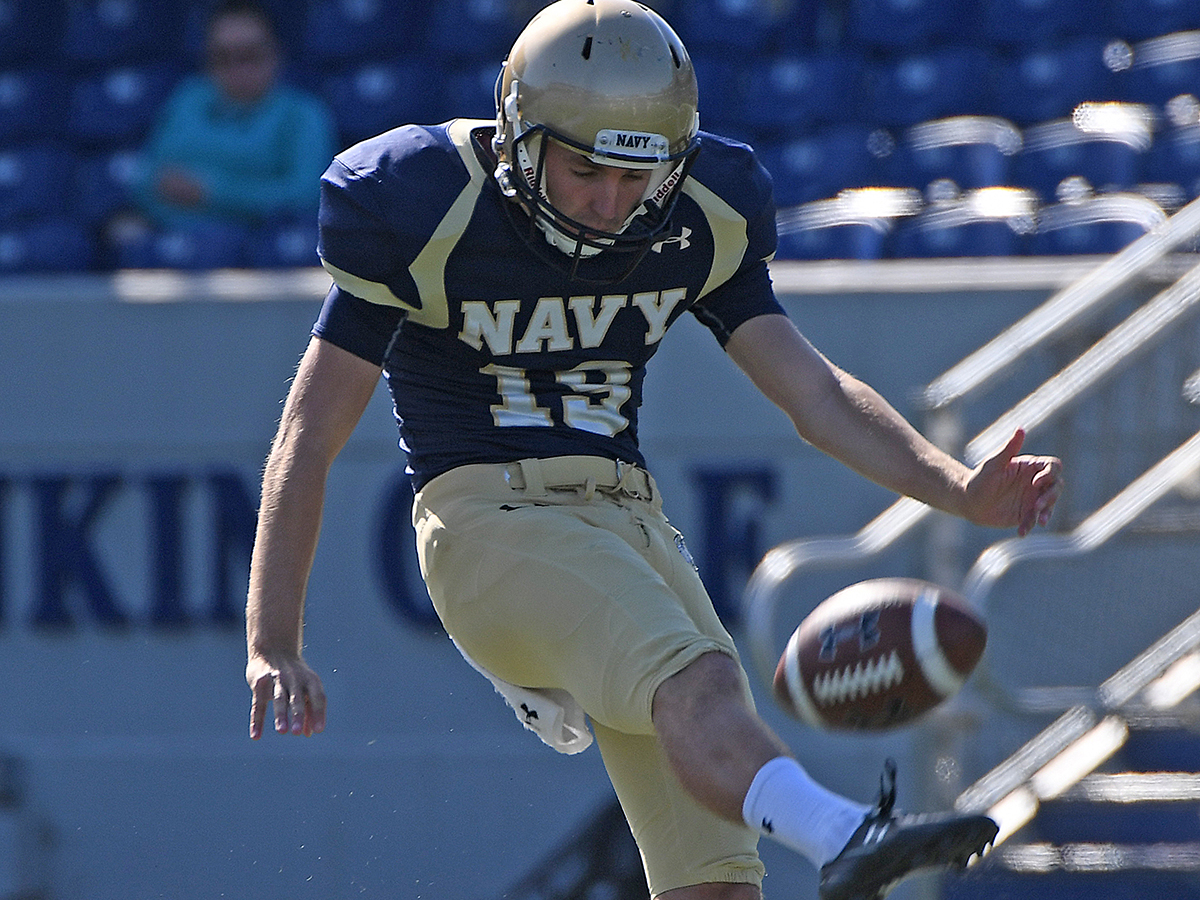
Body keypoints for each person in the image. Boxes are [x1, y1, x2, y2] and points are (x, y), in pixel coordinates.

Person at [244, 2, 1063, 899]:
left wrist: (956, 489)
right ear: (520, 135)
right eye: (585, 169)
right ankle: (846, 835)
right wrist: (273, 639)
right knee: (698, 675)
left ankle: (833, 838)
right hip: (487, 516)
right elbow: (308, 432)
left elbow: (816, 395)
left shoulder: (705, 211)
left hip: (630, 525)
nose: (610, 201)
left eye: (637, 176)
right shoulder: (423, 200)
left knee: (714, 875)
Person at [128, 0, 335, 233]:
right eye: (223, 57)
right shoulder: (188, 97)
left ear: (276, 54)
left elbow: (305, 194)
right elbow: (149, 179)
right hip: (180, 242)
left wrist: (211, 193)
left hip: (267, 249)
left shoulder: (303, 113)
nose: (238, 70)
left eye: (250, 55)